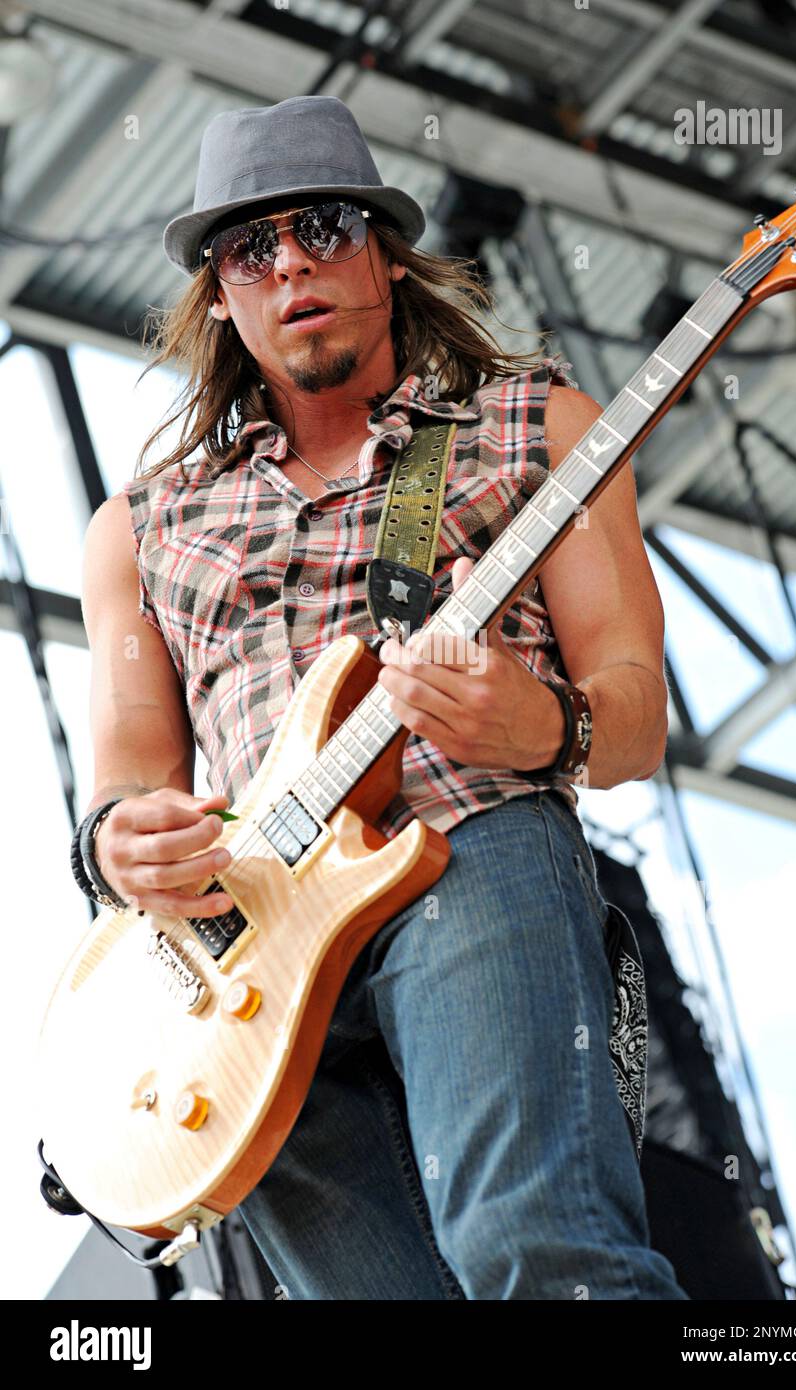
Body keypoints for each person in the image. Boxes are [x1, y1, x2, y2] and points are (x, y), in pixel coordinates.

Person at [74, 95, 689, 1300]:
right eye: (251, 248)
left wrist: (546, 725)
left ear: (384, 255)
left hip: (469, 843)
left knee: (537, 1253)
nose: (291, 259)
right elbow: (131, 773)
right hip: (248, 941)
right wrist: (117, 842)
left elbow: (636, 716)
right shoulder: (138, 527)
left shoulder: (534, 423)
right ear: (219, 297)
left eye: (324, 224)